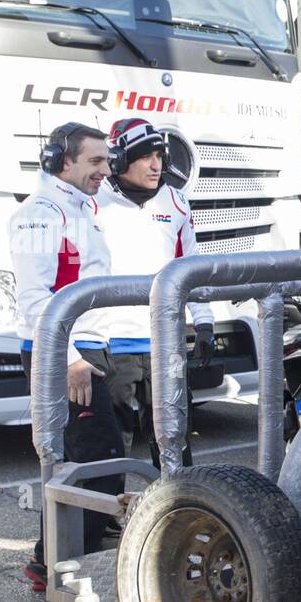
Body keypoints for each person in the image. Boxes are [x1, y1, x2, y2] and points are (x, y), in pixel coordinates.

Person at [9, 122, 125, 591]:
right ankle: (56, 565)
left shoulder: (81, 207)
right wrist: (72, 358)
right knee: (94, 460)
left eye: (107, 160)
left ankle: (61, 562)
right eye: (95, 161)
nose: (106, 169)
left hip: (85, 349)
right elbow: (35, 299)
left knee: (93, 460)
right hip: (60, 352)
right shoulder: (40, 213)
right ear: (62, 160)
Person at [96, 118, 214, 468]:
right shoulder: (93, 202)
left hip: (166, 342)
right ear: (118, 160)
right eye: (145, 156)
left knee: (174, 433)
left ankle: (180, 510)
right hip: (113, 343)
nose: (156, 165)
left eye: (159, 155)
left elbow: (190, 267)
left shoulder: (176, 201)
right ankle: (105, 520)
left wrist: (204, 322)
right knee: (113, 441)